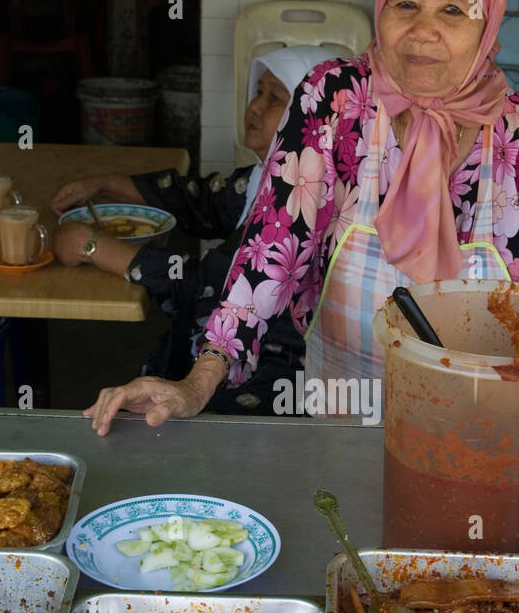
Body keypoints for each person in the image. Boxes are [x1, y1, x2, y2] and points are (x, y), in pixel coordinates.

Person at [87, 0, 519, 435]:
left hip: (487, 432)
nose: (424, 31)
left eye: (453, 8)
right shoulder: (334, 102)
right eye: (406, 3)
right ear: (382, 7)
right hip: (340, 413)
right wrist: (198, 382)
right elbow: (271, 248)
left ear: (488, 22)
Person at [51, 46, 330, 412]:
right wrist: (107, 183)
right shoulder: (268, 176)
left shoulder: (305, 202)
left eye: (275, 97)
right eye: (258, 92)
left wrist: (92, 246)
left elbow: (208, 286)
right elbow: (202, 203)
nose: (256, 106)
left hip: (275, 379)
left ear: (310, 116)